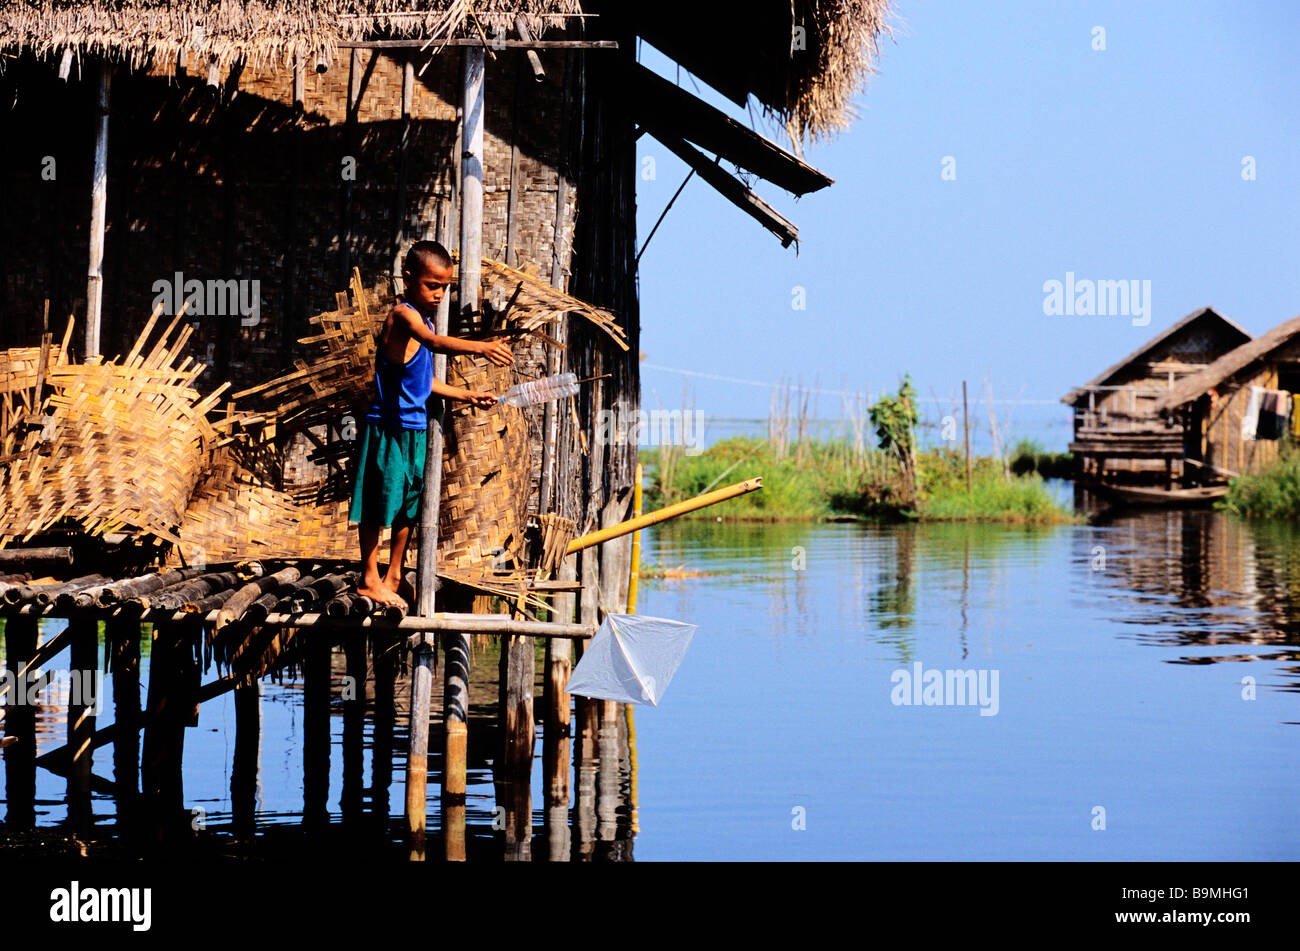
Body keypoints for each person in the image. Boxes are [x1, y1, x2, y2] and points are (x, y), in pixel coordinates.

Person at [349, 240, 512, 608]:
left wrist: (466, 395)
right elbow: (435, 342)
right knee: (379, 502)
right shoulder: (403, 316)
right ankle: (368, 577)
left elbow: (422, 383)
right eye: (432, 285)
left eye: (445, 287)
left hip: (414, 429)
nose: (439, 294)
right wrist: (481, 347)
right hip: (388, 429)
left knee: (409, 504)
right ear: (408, 279)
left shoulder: (421, 318)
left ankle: (394, 574)